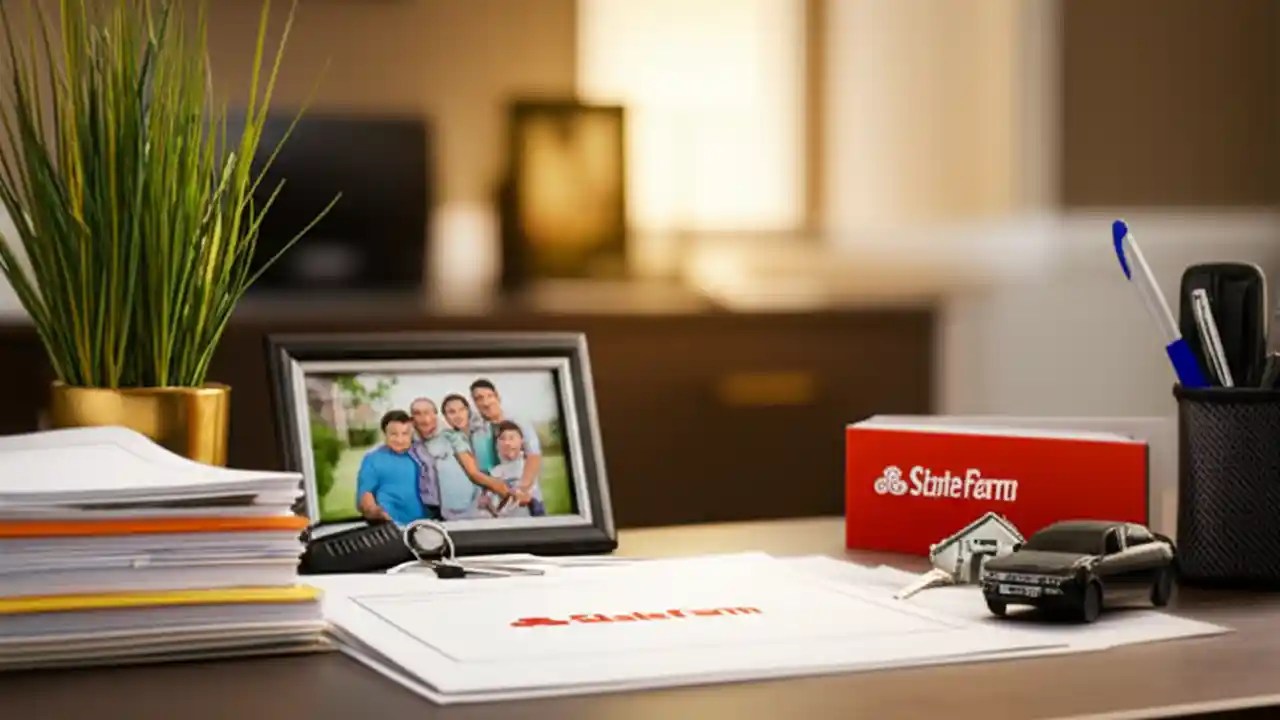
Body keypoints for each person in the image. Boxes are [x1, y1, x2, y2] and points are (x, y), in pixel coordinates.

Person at [413, 394, 510, 519]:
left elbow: (476, 472)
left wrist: (506, 492)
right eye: (451, 412)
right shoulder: (444, 438)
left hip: (486, 500)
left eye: (461, 410)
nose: (458, 415)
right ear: (445, 416)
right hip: (456, 509)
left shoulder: (482, 434)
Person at [469, 378, 544, 515]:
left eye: (489, 396)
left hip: (525, 499)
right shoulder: (477, 430)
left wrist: (522, 489)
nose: (485, 402)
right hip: (495, 506)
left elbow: (533, 456)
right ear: (475, 403)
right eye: (479, 398)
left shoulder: (519, 421)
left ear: (497, 396)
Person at [354, 410, 426, 525]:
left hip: (425, 525)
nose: (400, 440)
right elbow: (365, 494)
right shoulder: (373, 459)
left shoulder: (421, 455)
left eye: (405, 433)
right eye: (393, 434)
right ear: (384, 434)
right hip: (390, 525)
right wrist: (375, 512)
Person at [487, 420, 544, 517]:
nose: (507, 443)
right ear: (496, 445)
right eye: (502, 439)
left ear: (521, 441)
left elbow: (529, 495)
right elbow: (492, 506)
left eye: (511, 438)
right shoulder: (494, 473)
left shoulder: (528, 466)